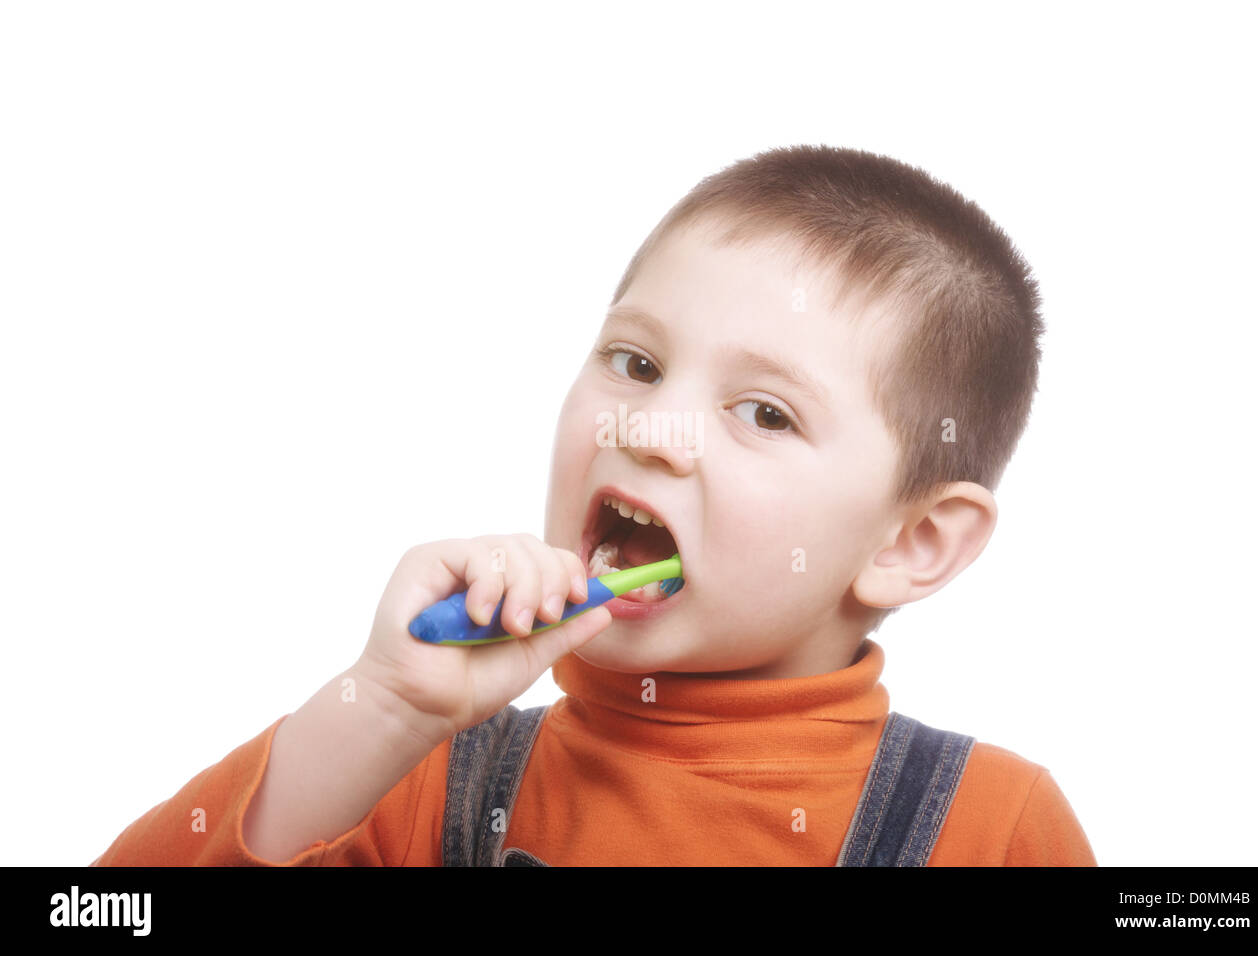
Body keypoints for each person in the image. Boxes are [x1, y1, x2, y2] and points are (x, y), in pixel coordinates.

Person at [92, 144, 1096, 866]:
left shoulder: (989, 826)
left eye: (762, 412)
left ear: (911, 541)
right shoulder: (426, 787)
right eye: (636, 361)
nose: (652, 428)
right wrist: (386, 706)